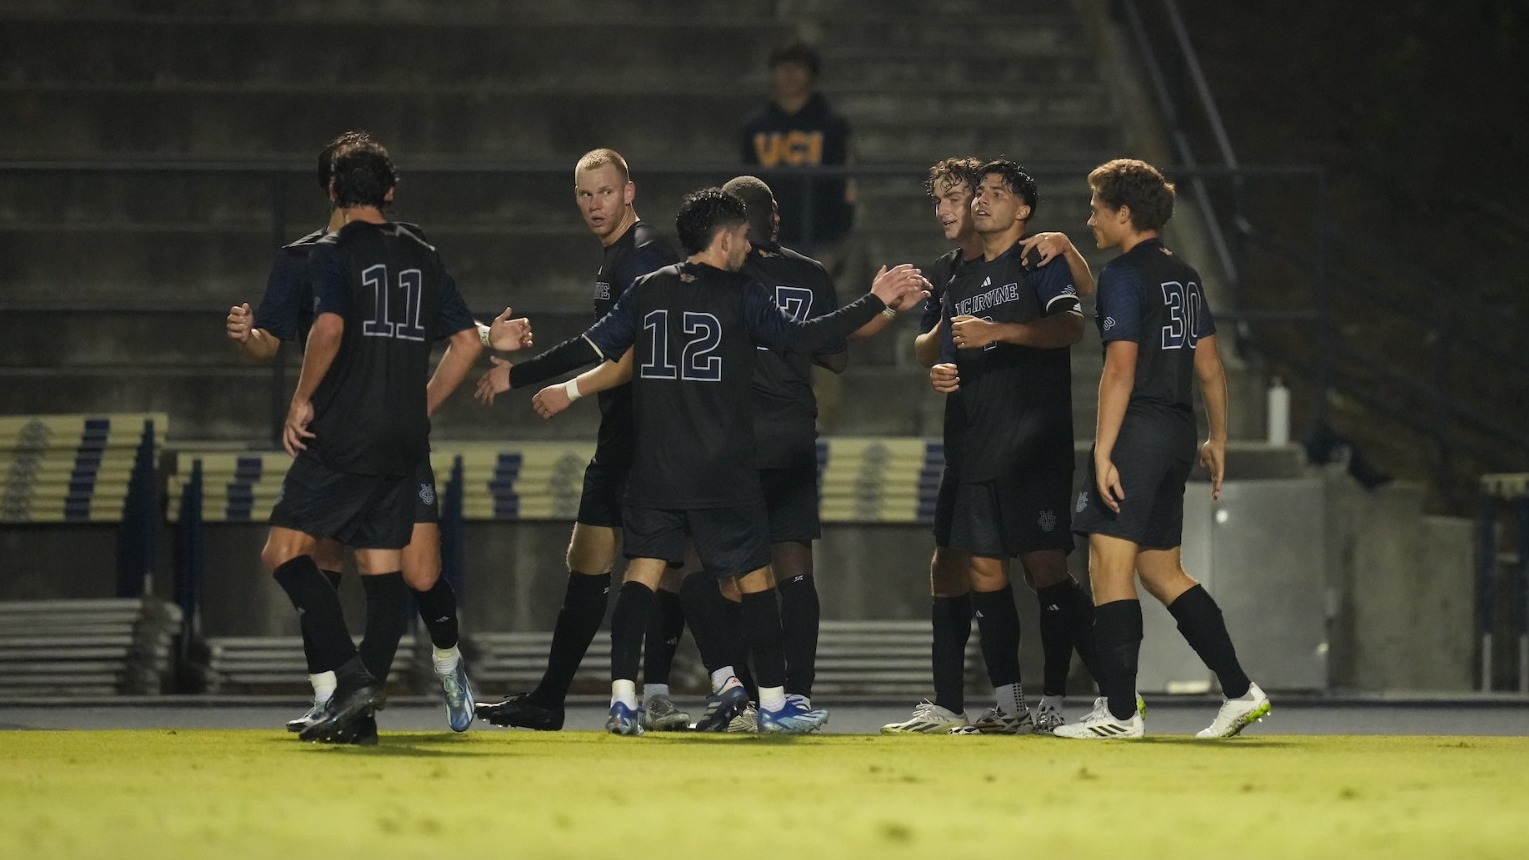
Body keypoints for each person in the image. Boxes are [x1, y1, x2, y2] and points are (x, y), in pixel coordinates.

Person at [495, 187, 929, 735]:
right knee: (754, 579)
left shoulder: (649, 289)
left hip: (655, 464)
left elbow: (589, 345)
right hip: (722, 466)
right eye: (743, 237)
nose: (748, 245)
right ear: (724, 239)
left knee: (642, 575)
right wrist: (877, 300)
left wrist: (519, 374)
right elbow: (806, 338)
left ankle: (624, 698)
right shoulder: (741, 293)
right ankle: (773, 704)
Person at [226, 132, 519, 738]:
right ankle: (350, 710)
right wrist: (424, 405)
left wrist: (301, 401)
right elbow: (466, 339)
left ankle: (362, 679)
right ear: (390, 191)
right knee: (386, 572)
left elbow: (328, 329)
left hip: (342, 431)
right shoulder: (420, 250)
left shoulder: (332, 252)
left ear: (333, 189)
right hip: (401, 438)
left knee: (290, 556)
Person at [473, 149, 692, 733]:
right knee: (592, 560)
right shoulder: (618, 257)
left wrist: (531, 379)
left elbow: (624, 351)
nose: (595, 205)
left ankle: (671, 692)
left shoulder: (643, 256)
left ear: (629, 192)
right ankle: (552, 698)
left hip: (651, 436)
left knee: (663, 568)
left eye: (605, 192)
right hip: (623, 432)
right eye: (584, 194)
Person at [1055, 158, 1269, 740]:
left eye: (1097, 207)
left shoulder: (1123, 275)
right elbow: (1209, 365)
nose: (1090, 217)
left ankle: (1120, 714)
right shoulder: (1186, 274)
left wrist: (1102, 451)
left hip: (1139, 433)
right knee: (1160, 569)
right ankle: (1240, 691)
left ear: (1125, 214)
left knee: (1107, 564)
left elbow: (1120, 370)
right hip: (1175, 433)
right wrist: (1217, 437)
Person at [920, 159, 1101, 735]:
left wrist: (998, 331)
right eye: (956, 199)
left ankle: (1100, 695)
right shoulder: (955, 274)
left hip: (1034, 441)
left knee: (1046, 566)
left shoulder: (1036, 257)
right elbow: (939, 344)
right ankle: (1010, 702)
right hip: (975, 441)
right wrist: (943, 368)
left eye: (981, 195)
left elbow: (1074, 325)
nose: (969, 206)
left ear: (1019, 208)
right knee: (981, 569)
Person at [740, 40, 856, 269]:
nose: (790, 75)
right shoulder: (755, 126)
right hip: (765, 234)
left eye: (798, 68)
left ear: (811, 74)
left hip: (821, 234)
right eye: (783, 68)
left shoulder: (832, 126)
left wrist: (840, 229)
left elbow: (848, 182)